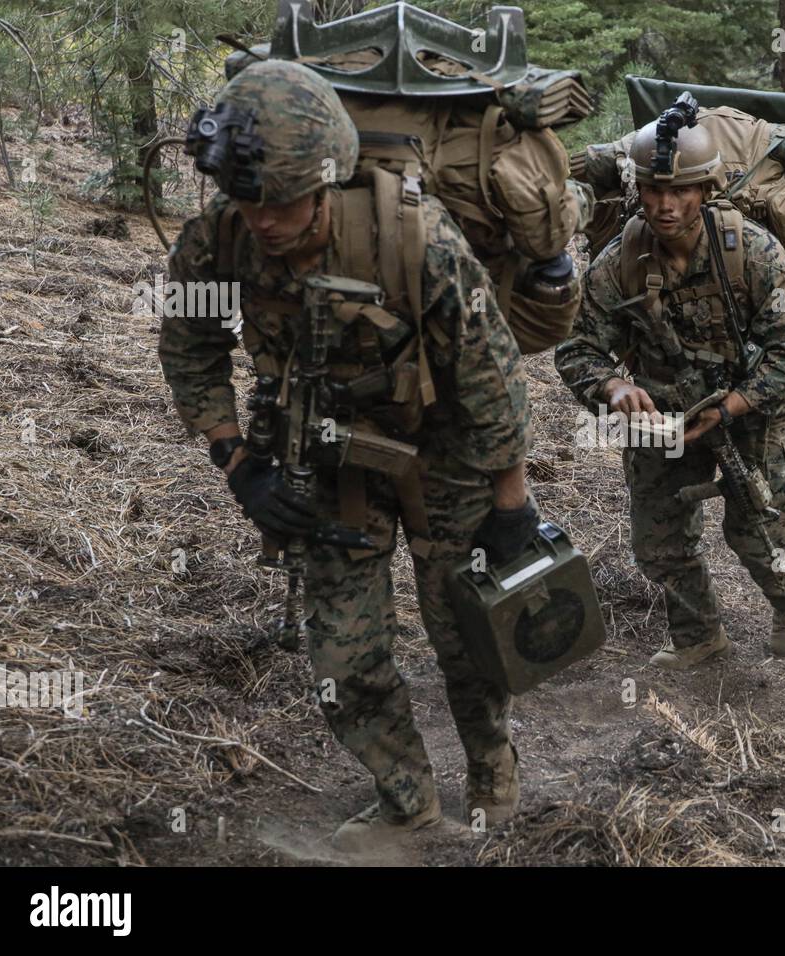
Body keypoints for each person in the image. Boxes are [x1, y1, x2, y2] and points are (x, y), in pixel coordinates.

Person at [158, 59, 536, 850]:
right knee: (342, 654)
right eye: (250, 199)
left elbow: (491, 376)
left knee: (465, 633)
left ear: (326, 180)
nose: (264, 219)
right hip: (325, 461)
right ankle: (406, 798)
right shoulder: (219, 239)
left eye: (285, 201)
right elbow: (189, 343)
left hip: (443, 454)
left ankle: (492, 766)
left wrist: (511, 504)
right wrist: (238, 463)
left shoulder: (416, 240)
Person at [555, 116, 785, 669]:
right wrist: (613, 385)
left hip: (746, 412)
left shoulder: (752, 253)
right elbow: (575, 348)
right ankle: (699, 637)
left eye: (680, 190)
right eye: (653, 189)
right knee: (659, 543)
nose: (665, 205)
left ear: (705, 189)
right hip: (664, 421)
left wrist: (733, 405)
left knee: (755, 530)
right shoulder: (620, 263)